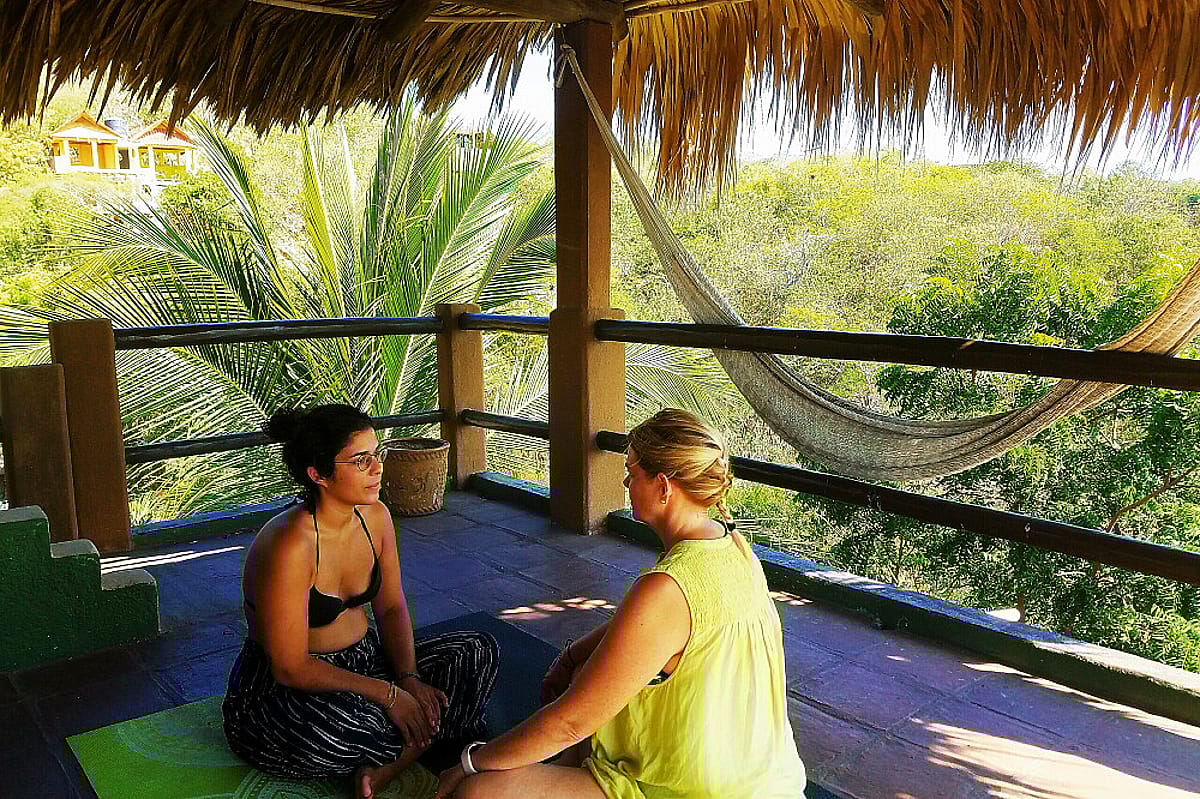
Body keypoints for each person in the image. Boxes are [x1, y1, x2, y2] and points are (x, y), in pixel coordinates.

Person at [434, 408, 806, 799]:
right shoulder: (731, 545)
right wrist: (573, 655)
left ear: (663, 486)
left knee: (481, 791)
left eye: (632, 471)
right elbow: (649, 630)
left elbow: (570, 724)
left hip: (689, 790)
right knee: (584, 677)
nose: (626, 481)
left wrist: (470, 761)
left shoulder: (666, 588)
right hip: (763, 779)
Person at [222, 403, 499, 799]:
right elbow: (289, 667)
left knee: (477, 650)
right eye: (360, 461)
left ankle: (394, 756)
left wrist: (407, 679)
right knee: (355, 724)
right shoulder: (289, 544)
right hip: (285, 692)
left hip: (366, 662)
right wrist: (388, 696)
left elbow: (390, 608)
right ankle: (415, 741)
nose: (377, 468)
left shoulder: (377, 517)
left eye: (377, 454)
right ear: (318, 474)